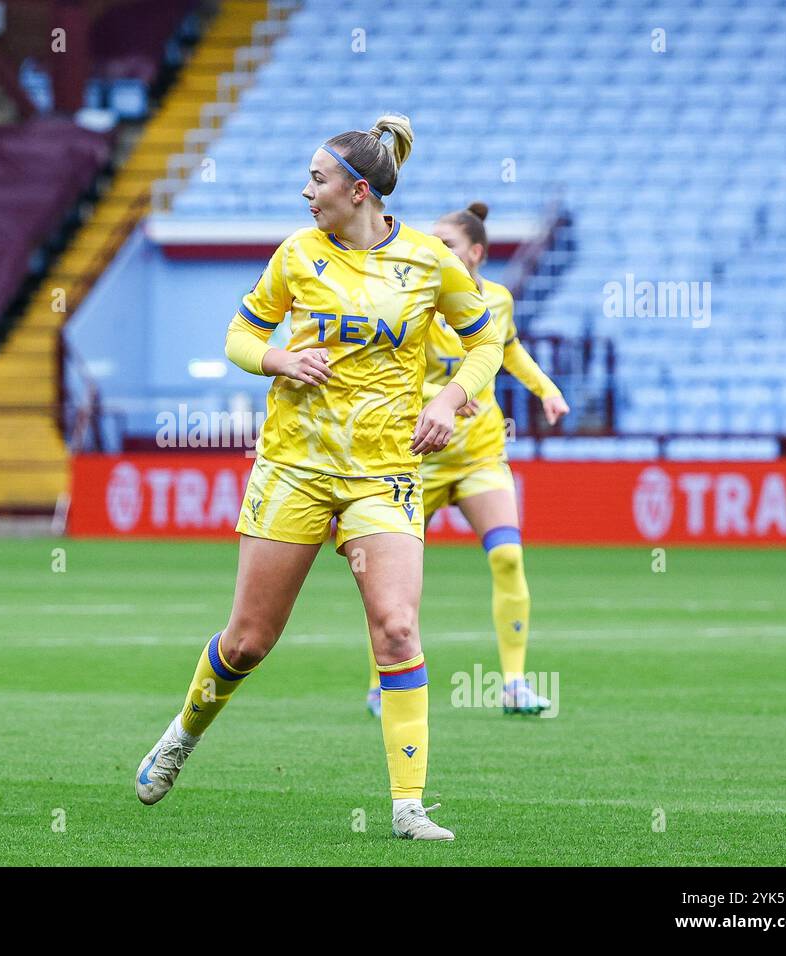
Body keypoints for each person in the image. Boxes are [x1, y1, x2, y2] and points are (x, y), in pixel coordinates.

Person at [134, 115, 504, 841]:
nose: (306, 192)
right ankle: (182, 733)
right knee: (248, 642)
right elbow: (241, 336)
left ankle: (407, 806)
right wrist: (279, 359)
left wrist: (450, 396)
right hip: (295, 468)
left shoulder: (429, 262)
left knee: (397, 630)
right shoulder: (298, 255)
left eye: (317, 180)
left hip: (384, 472)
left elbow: (484, 337)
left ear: (358, 191)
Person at [364, 202, 569, 718]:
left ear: (475, 253)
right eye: (433, 241)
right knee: (394, 578)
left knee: (507, 556)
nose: (437, 250)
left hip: (480, 455)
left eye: (447, 243)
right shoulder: (415, 301)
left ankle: (515, 684)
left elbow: (509, 350)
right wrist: (447, 394)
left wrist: (546, 389)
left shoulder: (497, 300)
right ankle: (380, 683)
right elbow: (390, 372)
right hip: (420, 458)